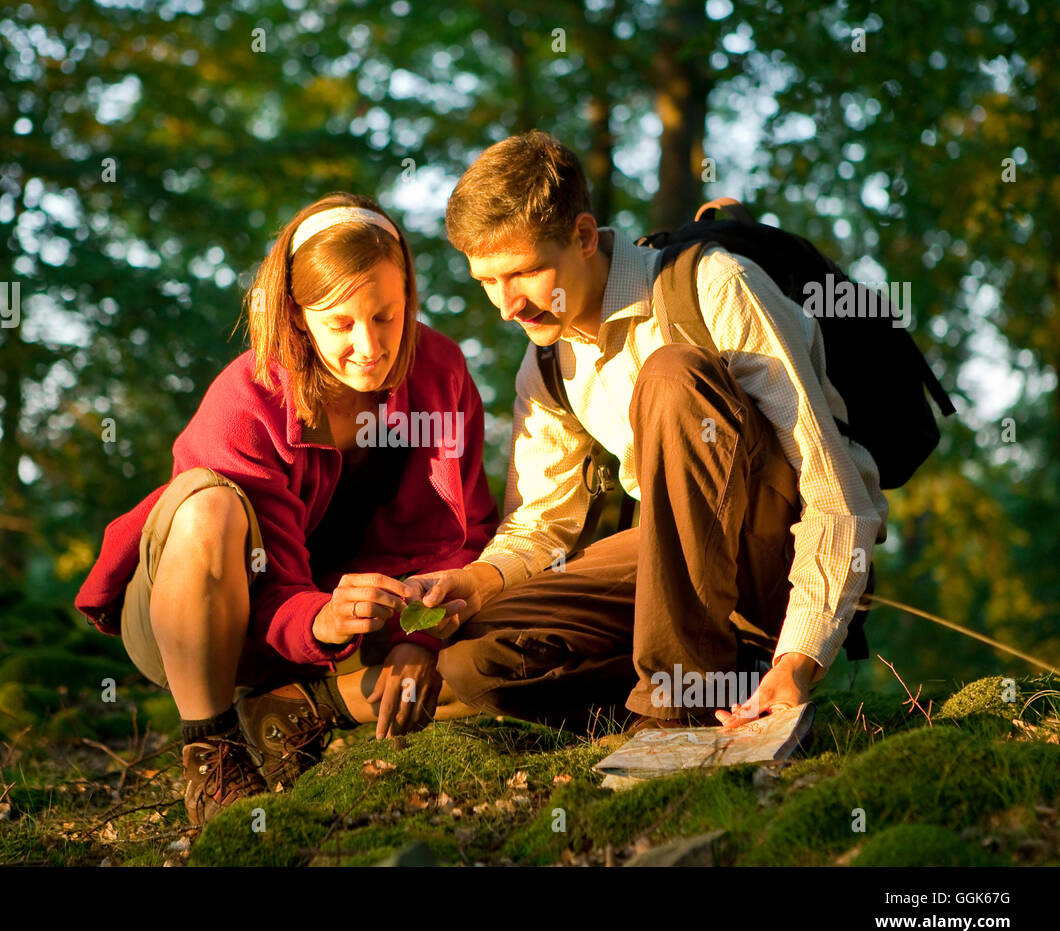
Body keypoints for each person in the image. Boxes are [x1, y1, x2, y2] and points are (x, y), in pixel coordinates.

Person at [403, 131, 887, 736]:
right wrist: (471, 583)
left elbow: (836, 490)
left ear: (583, 236)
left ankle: (676, 707)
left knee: (672, 373)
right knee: (479, 657)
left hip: (771, 562)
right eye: (487, 281)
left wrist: (800, 658)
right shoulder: (548, 363)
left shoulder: (713, 286)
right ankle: (716, 686)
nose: (507, 307)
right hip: (670, 572)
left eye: (523, 273)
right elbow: (540, 525)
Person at [75, 193, 498, 827]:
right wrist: (322, 620)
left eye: (387, 315)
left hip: (348, 630)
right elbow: (262, 581)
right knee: (208, 507)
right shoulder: (247, 400)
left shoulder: (439, 371)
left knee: (527, 642)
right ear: (299, 318)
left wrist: (421, 635)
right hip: (208, 616)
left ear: (409, 294)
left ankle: (293, 711)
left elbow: (460, 536)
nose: (371, 345)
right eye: (341, 324)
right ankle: (211, 750)